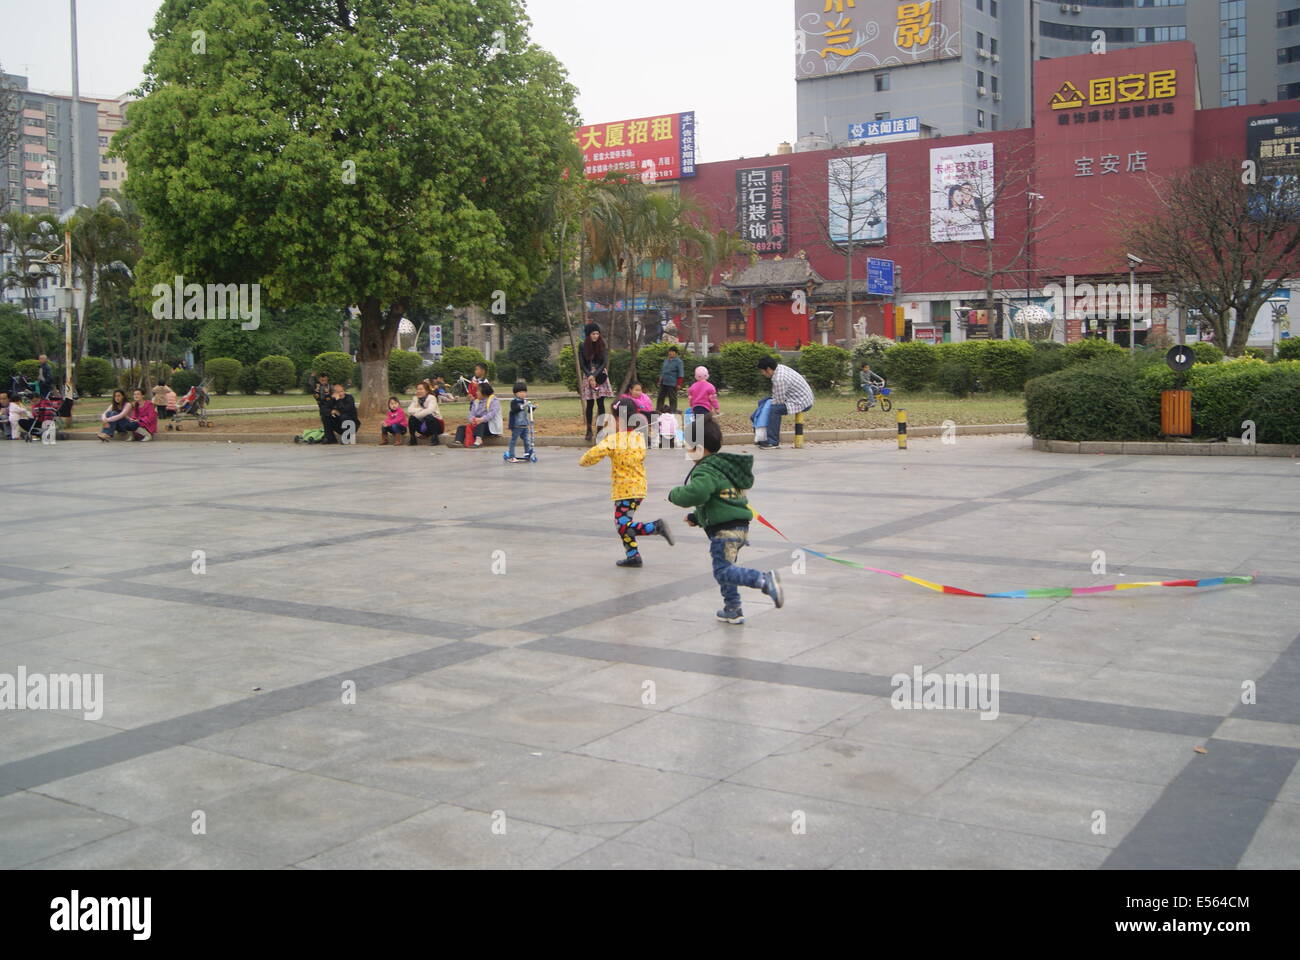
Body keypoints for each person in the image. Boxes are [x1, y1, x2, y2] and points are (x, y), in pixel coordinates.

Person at [668, 416, 784, 625]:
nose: (686, 450)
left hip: (724, 531)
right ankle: (732, 608)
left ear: (699, 448)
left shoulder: (705, 469)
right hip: (738, 528)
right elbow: (720, 500)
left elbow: (698, 494)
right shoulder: (722, 467)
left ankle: (764, 580)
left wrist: (675, 494)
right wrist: (697, 517)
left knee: (722, 570)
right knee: (728, 569)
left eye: (687, 446)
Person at [579, 398, 674, 568]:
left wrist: (603, 447)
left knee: (622, 525)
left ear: (618, 419)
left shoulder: (613, 440)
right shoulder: (639, 437)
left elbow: (586, 459)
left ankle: (655, 527)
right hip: (639, 487)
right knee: (624, 521)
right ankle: (633, 556)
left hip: (625, 490)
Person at [756, 356, 814, 449]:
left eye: (762, 371)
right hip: (795, 396)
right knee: (762, 402)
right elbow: (777, 396)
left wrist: (766, 407)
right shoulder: (779, 368)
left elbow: (778, 402)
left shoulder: (779, 379)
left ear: (768, 369)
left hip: (801, 401)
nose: (762, 374)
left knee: (773, 410)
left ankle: (773, 442)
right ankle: (761, 437)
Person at [579, 322, 613, 442]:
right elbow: (582, 364)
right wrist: (589, 376)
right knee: (589, 404)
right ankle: (589, 430)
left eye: (597, 333)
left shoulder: (602, 344)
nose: (596, 336)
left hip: (599, 375)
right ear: (588, 335)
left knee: (601, 403)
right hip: (588, 376)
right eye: (593, 333)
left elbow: (604, 362)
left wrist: (594, 375)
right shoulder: (582, 346)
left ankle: (600, 429)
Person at [451, 382, 502, 447]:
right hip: (477, 424)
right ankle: (458, 441)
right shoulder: (476, 402)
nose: (476, 393)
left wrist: (481, 419)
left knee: (481, 424)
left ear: (484, 392)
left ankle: (479, 440)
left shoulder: (494, 401)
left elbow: (492, 414)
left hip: (490, 426)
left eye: (478, 391)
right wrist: (472, 420)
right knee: (461, 428)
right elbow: (471, 414)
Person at [406, 380, 444, 446]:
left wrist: (416, 414)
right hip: (423, 425)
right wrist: (421, 409)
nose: (419, 391)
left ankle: (435, 439)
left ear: (426, 391)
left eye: (421, 389)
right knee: (412, 418)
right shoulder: (415, 398)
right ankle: (413, 439)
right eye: (417, 389)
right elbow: (409, 410)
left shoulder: (432, 398)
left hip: (436, 426)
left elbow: (430, 411)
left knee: (428, 417)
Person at [506, 381, 535, 463]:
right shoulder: (514, 402)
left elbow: (529, 411)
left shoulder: (525, 401)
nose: (523, 394)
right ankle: (511, 456)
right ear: (515, 393)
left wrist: (533, 407)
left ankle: (527, 454)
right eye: (520, 392)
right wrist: (523, 406)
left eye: (524, 392)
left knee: (527, 440)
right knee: (513, 440)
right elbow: (515, 409)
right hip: (516, 425)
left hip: (525, 425)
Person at [657, 346, 685, 414]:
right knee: (660, 396)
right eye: (669, 351)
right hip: (664, 382)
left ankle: (673, 411)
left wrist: (679, 384)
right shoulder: (666, 360)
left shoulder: (679, 362)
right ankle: (658, 409)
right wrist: (659, 381)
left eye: (672, 352)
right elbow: (663, 371)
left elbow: (681, 373)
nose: (670, 353)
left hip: (672, 383)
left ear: (676, 353)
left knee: (672, 398)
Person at [312, 372, 333, 438]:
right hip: (321, 404)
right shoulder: (317, 386)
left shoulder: (330, 386)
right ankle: (325, 430)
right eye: (322, 380)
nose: (324, 382)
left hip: (328, 404)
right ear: (319, 380)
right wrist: (312, 377)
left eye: (325, 380)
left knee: (328, 417)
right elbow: (311, 384)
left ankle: (328, 432)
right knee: (323, 417)